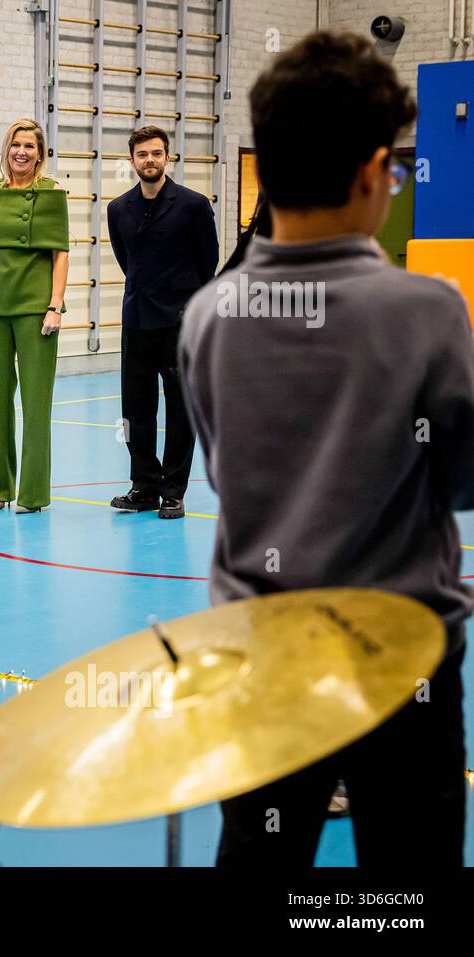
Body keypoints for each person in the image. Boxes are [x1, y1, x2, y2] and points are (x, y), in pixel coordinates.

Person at [179, 31, 469, 867]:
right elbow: (461, 479)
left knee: (258, 849)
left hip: (259, 644)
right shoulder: (426, 311)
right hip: (403, 652)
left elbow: (223, 465)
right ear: (376, 171)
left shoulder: (208, 315)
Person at [107, 126, 218, 520]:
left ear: (167, 157)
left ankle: (173, 490)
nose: (149, 160)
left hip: (180, 324)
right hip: (136, 321)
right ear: (132, 160)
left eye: (156, 153)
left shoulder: (193, 205)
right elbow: (127, 262)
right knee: (136, 410)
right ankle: (144, 487)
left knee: (180, 410)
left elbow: (209, 263)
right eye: (142, 154)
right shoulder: (118, 209)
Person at [0, 118, 70, 513]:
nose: (22, 152)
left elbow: (59, 254)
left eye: (30, 146)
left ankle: (31, 495)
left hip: (35, 309)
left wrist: (55, 305)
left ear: (40, 153)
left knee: (36, 403)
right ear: (6, 150)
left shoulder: (52, 193)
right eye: (16, 145)